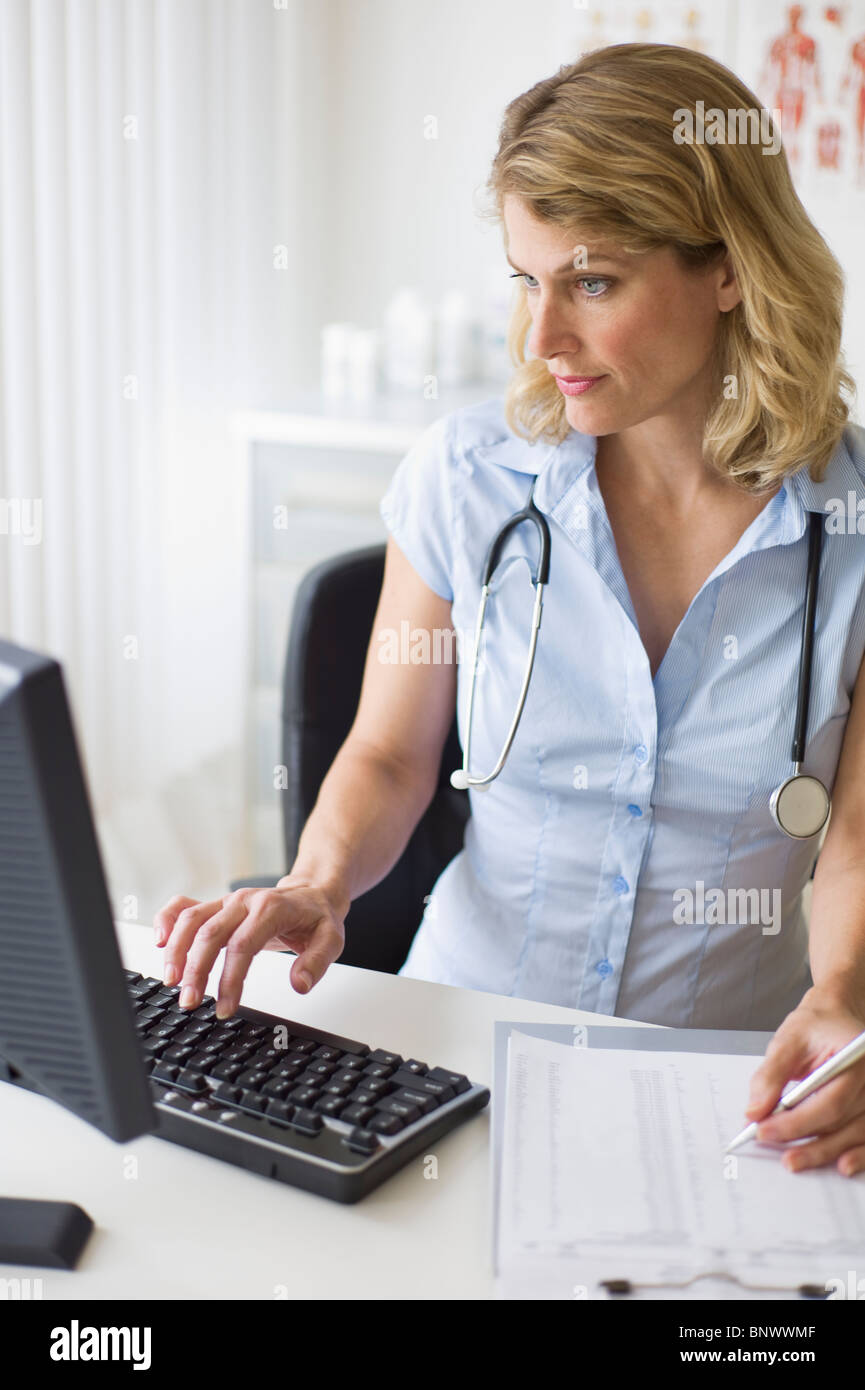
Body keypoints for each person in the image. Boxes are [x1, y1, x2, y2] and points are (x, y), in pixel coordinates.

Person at [155, 43, 865, 1176]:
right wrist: (317, 880)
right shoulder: (468, 480)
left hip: (724, 1097)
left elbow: (851, 846)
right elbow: (390, 755)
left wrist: (840, 999)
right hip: (450, 1058)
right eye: (526, 281)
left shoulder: (852, 534)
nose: (540, 340)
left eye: (591, 282)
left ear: (727, 266)